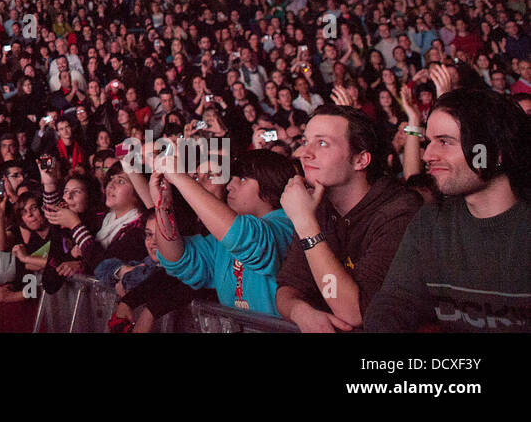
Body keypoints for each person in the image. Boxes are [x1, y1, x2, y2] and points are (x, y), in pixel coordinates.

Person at [366, 88, 531, 331]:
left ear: (495, 152)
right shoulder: (430, 222)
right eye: (429, 142)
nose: (428, 155)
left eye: (445, 142)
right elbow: (393, 304)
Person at [275, 105, 421, 331]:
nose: (305, 153)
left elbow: (355, 313)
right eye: (305, 141)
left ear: (360, 160)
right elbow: (288, 287)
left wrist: (306, 225)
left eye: (322, 143)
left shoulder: (399, 210)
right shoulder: (317, 206)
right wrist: (299, 311)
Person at [151, 147, 298, 315]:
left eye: (242, 179)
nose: (229, 186)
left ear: (270, 183)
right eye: (232, 178)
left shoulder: (288, 224)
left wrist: (180, 177)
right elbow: (177, 259)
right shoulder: (221, 240)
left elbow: (248, 239)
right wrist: (162, 204)